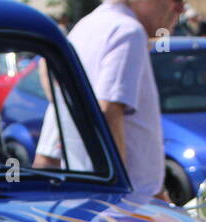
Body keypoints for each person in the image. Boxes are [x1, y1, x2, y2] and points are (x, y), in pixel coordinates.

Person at [34, 0, 181, 201]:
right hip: (127, 208)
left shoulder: (86, 26)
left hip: (91, 196)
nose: (181, 9)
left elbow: (63, 110)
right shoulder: (128, 31)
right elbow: (108, 111)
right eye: (177, 0)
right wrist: (116, 195)